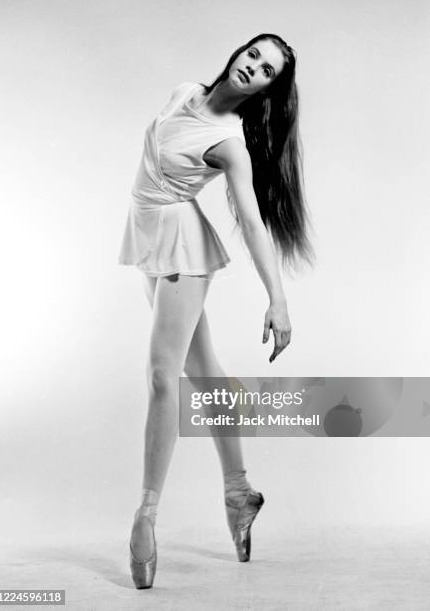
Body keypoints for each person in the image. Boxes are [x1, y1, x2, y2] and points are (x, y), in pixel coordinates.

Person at [118, 33, 313, 589]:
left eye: (268, 71)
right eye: (254, 55)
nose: (255, 68)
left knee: (162, 378)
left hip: (181, 248)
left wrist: (278, 299)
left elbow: (253, 223)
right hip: (151, 237)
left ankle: (145, 519)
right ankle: (239, 492)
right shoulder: (183, 91)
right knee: (202, 372)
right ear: (238, 53)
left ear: (270, 89)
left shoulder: (230, 142)